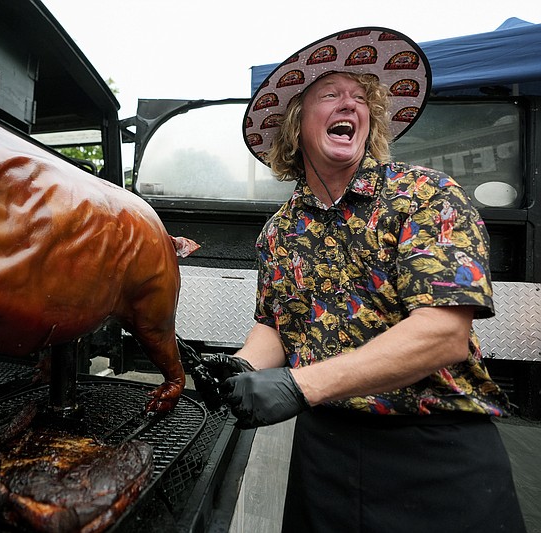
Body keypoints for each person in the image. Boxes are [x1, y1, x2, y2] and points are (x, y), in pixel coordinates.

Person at [194, 28, 526, 532]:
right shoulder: (280, 230)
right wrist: (241, 366)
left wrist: (299, 385)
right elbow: (278, 326)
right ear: (295, 124)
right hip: (324, 453)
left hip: (437, 450)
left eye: (360, 97)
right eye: (330, 94)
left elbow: (443, 334)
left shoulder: (425, 195)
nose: (350, 104)